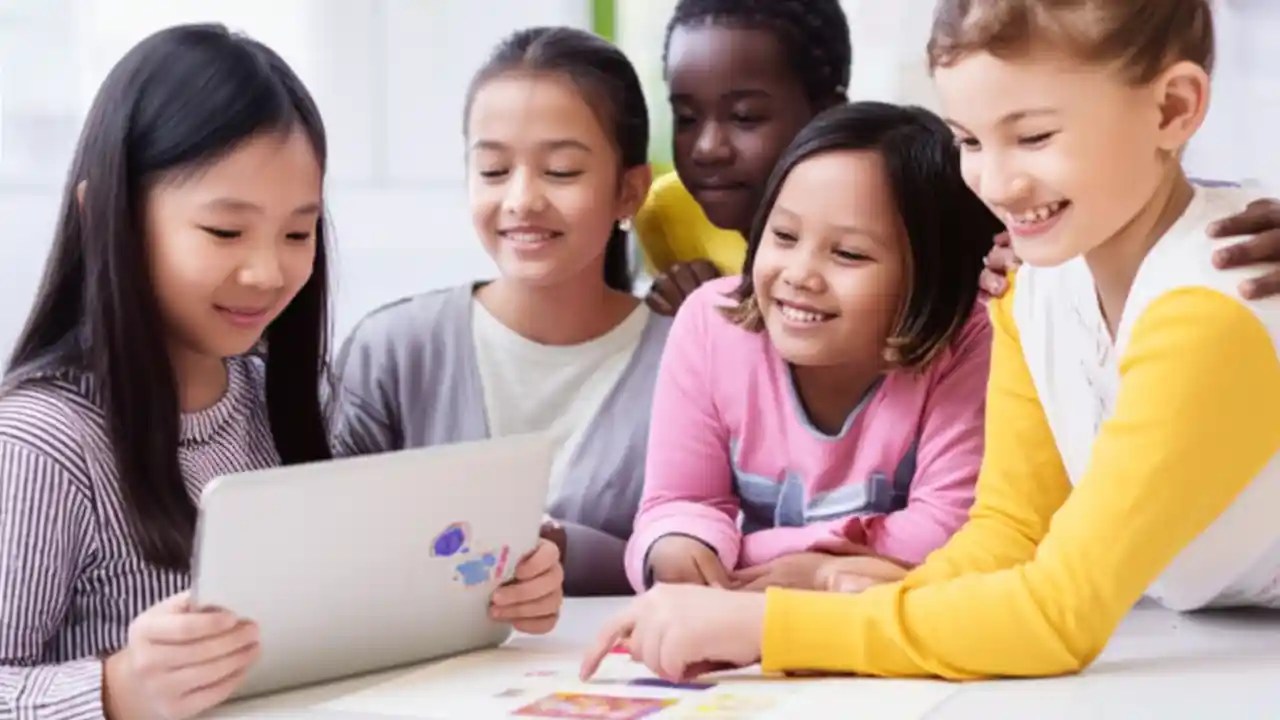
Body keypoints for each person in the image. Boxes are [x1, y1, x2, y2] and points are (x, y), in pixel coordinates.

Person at [581, 0, 1280, 683]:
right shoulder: (1030, 286)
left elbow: (1056, 615)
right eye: (970, 141)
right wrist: (834, 598)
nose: (995, 183)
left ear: (1172, 110)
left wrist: (768, 629)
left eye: (1034, 137)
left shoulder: (1212, 308)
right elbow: (1006, 535)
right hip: (1215, 641)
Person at [0, 25, 560, 720]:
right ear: (106, 218)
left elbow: (358, 608)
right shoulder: (41, 441)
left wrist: (492, 586)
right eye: (225, 232)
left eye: (298, 233)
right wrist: (113, 691)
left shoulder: (281, 401)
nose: (268, 273)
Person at [639, 0, 1280, 317]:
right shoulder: (666, 216)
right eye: (969, 140)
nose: (708, 147)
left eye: (1032, 136)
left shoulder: (955, 218)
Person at [333, 27, 669, 597]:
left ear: (629, 193)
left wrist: (562, 550)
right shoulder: (392, 351)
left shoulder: (688, 360)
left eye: (560, 171)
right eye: (492, 170)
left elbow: (715, 550)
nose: (520, 200)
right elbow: (327, 540)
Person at [627, 102, 997, 597]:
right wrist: (674, 546)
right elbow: (675, 504)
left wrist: (772, 560)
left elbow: (949, 531)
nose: (799, 274)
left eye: (848, 253)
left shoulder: (969, 338)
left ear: (933, 277)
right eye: (784, 236)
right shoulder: (710, 323)